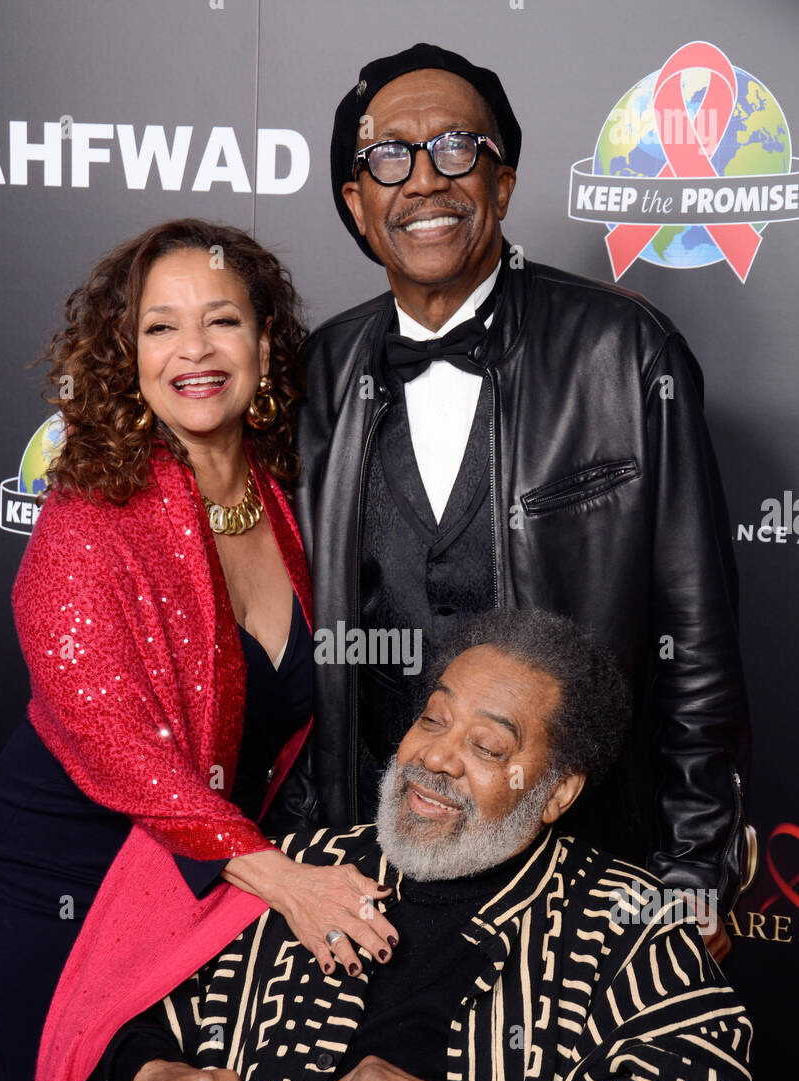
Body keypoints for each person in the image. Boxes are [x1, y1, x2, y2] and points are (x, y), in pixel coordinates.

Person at [54, 608, 752, 1081]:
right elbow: (121, 1018)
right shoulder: (302, 869)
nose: (436, 758)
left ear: (555, 792)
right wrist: (151, 1076)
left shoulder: (630, 922)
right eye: (432, 720)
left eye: (486, 748)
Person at [0, 219, 393, 1081]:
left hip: (205, 879)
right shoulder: (93, 503)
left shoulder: (280, 485)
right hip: (73, 871)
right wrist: (282, 878)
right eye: (161, 326)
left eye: (221, 321)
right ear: (127, 351)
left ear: (262, 345)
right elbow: (112, 738)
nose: (192, 349)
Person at [292, 42, 752, 963]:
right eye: (389, 157)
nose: (424, 180)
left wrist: (695, 868)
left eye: (457, 148)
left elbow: (694, 638)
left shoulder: (627, 353)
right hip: (377, 867)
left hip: (579, 866)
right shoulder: (326, 369)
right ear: (356, 203)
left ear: (501, 184)